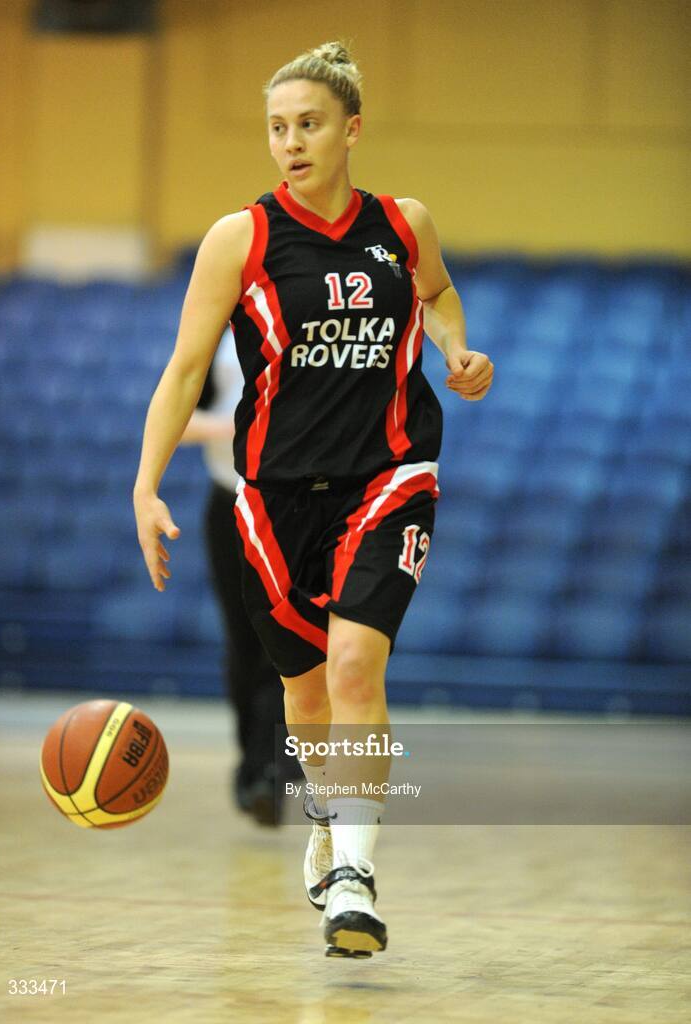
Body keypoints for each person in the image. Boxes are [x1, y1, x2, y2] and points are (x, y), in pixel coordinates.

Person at [133, 41, 493, 958]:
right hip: (273, 496)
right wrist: (145, 486)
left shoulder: (402, 223)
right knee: (304, 694)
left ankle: (356, 878)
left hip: (390, 477)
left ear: (351, 129)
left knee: (353, 670)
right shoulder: (240, 238)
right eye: (277, 127)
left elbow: (438, 292)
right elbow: (181, 374)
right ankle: (327, 823)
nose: (290, 142)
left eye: (309, 124)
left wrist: (453, 350)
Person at [178, 327, 297, 827]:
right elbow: (178, 419)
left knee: (285, 642)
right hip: (228, 500)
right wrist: (232, 428)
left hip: (293, 503)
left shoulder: (304, 318)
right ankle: (253, 763)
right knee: (242, 639)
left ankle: (271, 770)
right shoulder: (215, 336)